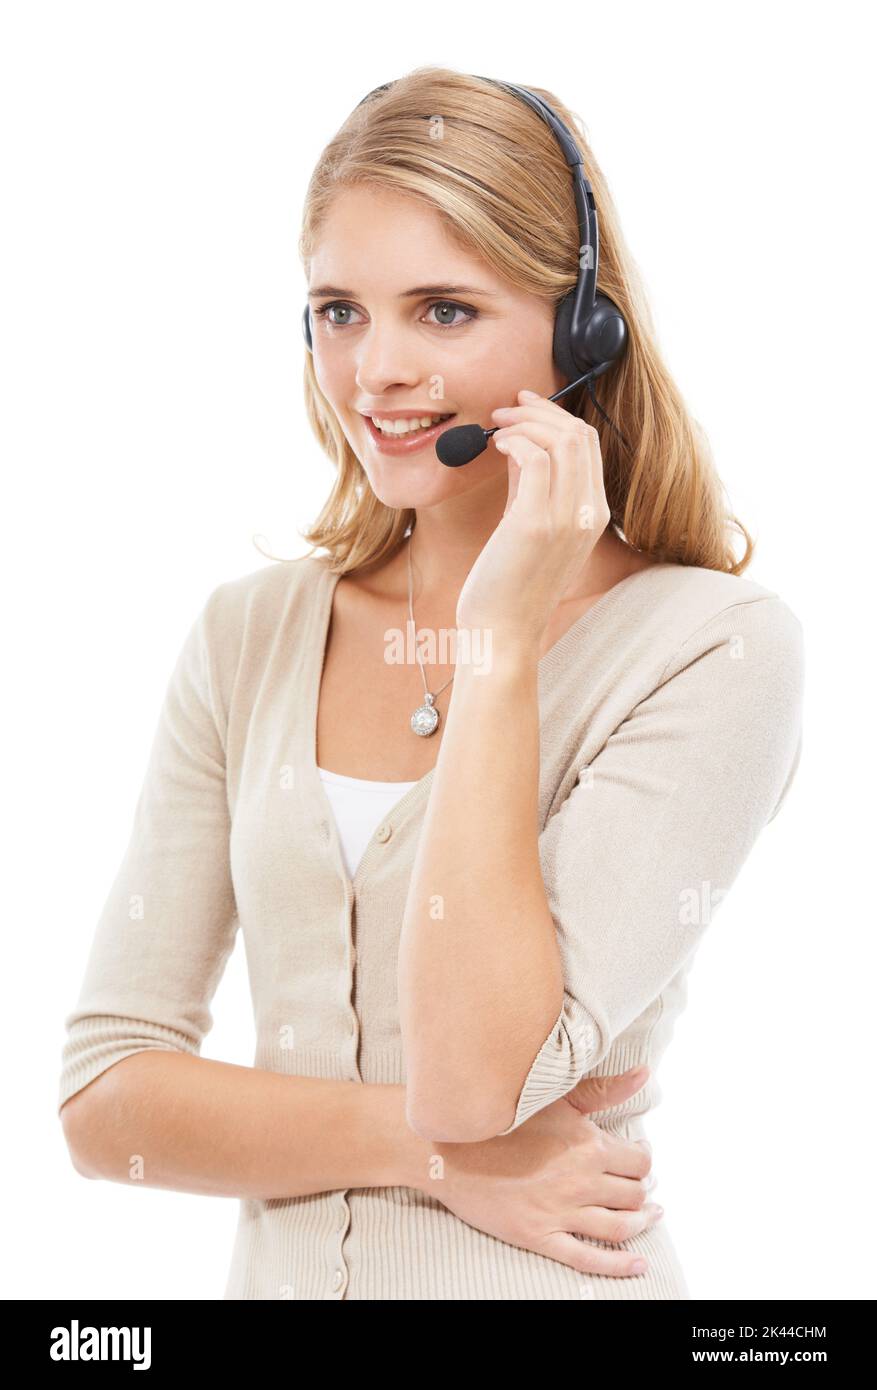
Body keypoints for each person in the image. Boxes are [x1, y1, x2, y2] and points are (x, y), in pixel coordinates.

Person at [58, 67, 804, 1301]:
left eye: (444, 311)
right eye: (339, 311)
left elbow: (473, 1081)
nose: (375, 370)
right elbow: (105, 1099)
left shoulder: (710, 648)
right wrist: (433, 1156)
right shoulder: (248, 636)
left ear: (583, 330)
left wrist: (496, 643)